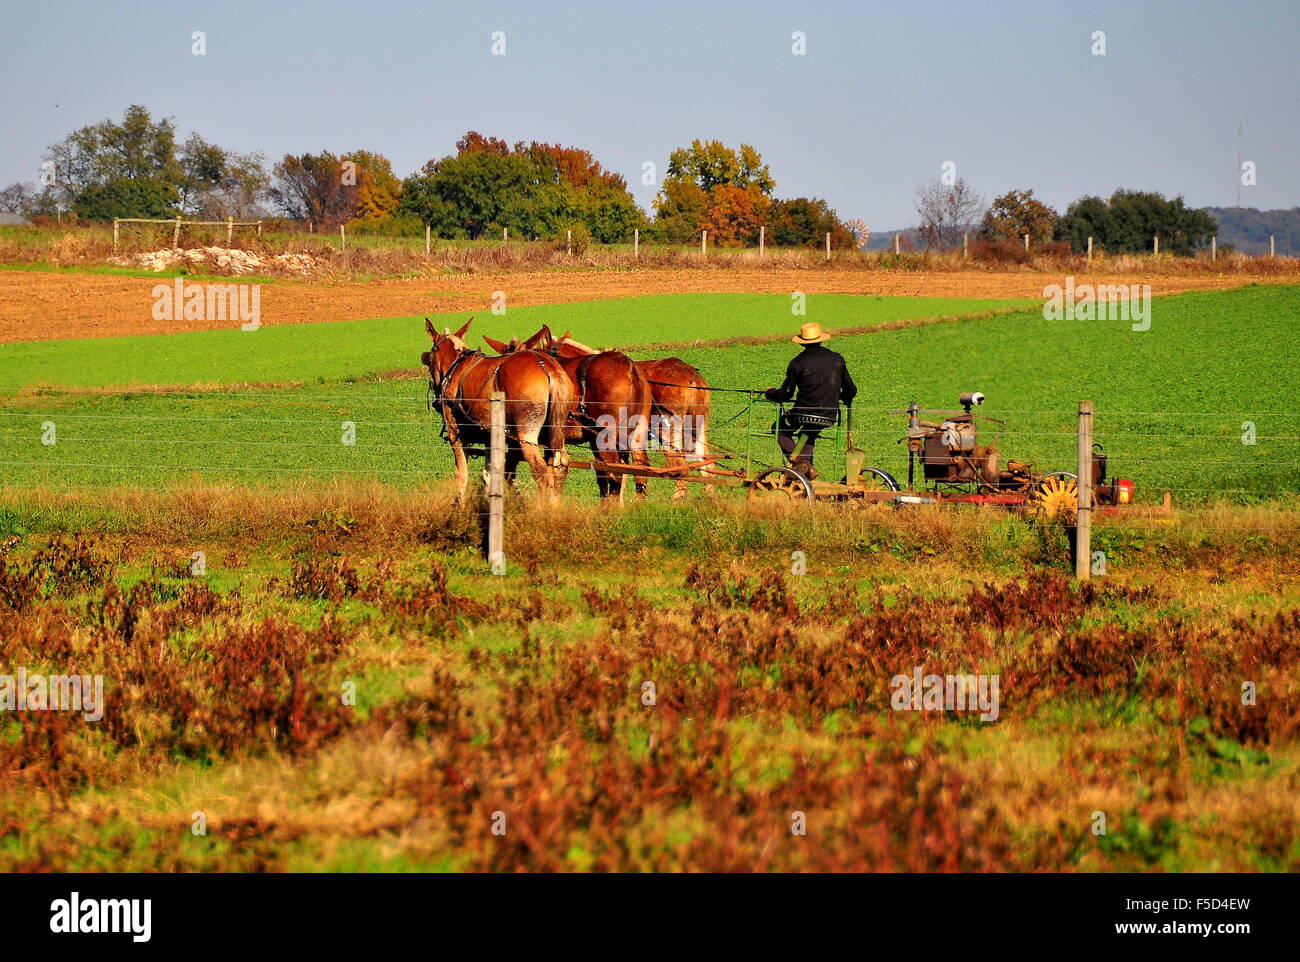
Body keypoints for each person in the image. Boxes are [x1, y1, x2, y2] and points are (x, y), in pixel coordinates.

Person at [763, 322, 857, 479]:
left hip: (803, 413)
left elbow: (785, 394)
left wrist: (770, 393)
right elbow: (851, 390)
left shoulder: (797, 363)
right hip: (829, 415)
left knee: (778, 428)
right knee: (809, 433)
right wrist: (837, 398)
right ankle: (804, 472)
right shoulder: (837, 359)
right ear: (821, 339)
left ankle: (801, 465)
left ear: (802, 342)